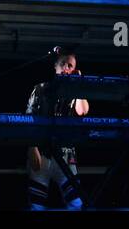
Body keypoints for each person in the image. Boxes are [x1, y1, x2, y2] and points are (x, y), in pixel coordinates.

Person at [25, 50, 88, 210]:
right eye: (63, 64)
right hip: (43, 154)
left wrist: (78, 84)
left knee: (76, 204)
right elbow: (29, 120)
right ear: (55, 66)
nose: (66, 68)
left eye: (70, 65)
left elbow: (83, 111)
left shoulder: (74, 94)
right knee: (36, 205)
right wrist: (32, 148)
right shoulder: (40, 88)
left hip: (66, 156)